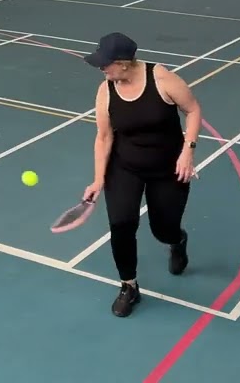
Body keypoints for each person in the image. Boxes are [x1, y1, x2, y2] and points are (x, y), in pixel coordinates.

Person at [82, 32, 201, 318]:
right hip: (125, 167)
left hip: (167, 167)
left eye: (105, 64)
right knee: (121, 224)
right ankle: (129, 286)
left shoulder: (164, 80)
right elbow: (104, 137)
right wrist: (98, 179)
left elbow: (193, 110)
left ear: (123, 63)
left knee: (164, 228)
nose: (101, 68)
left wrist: (188, 151)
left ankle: (177, 241)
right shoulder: (106, 89)